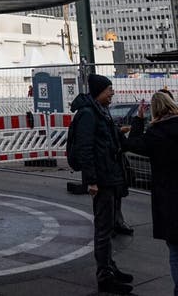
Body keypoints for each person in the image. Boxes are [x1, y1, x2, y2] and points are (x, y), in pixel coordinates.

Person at [71, 74, 133, 294]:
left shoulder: (100, 111)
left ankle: (109, 268)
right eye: (109, 89)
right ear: (99, 92)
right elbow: (85, 148)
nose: (112, 92)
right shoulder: (89, 114)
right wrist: (92, 180)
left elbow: (108, 141)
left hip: (110, 176)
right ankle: (104, 275)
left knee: (107, 228)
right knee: (103, 228)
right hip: (103, 179)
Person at [128, 91, 178, 295]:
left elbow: (132, 143)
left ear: (154, 110)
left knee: (175, 250)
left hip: (169, 198)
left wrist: (139, 119)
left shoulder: (154, 135)